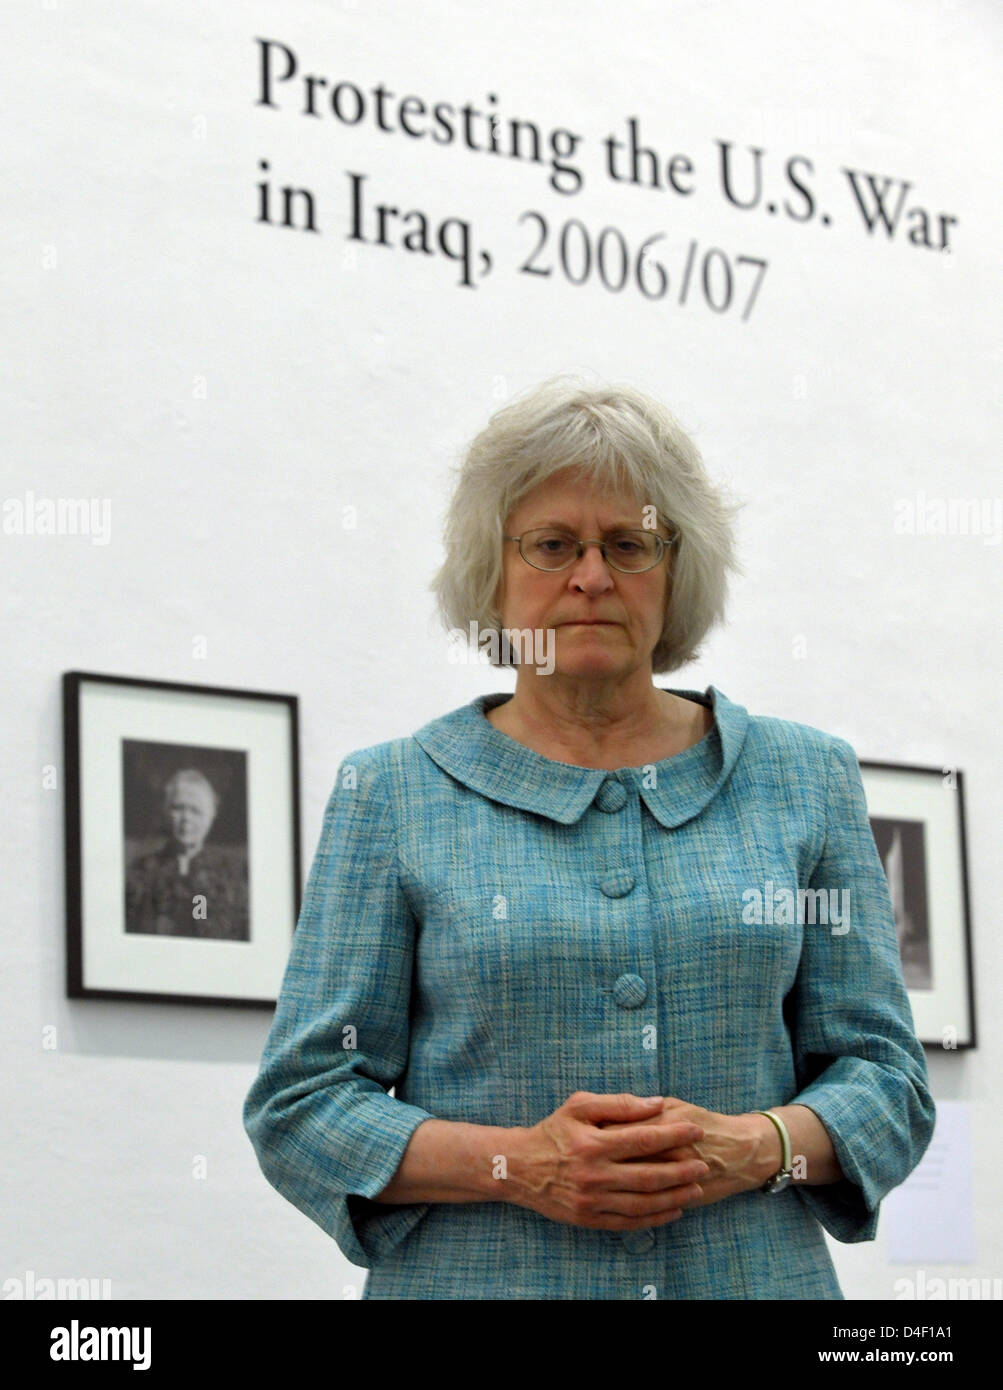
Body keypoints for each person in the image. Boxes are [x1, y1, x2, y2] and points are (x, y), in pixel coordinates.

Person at [243, 376, 935, 1299]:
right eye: (551, 544)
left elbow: (886, 1082)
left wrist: (751, 1149)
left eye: (629, 543)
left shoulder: (803, 778)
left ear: (676, 568)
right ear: (491, 574)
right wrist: (517, 1164)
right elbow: (303, 1105)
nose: (592, 576)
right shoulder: (394, 792)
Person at [125, 768, 248, 940]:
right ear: (166, 812)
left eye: (195, 810)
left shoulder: (232, 877)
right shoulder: (140, 872)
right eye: (178, 808)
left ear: (211, 816)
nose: (186, 818)